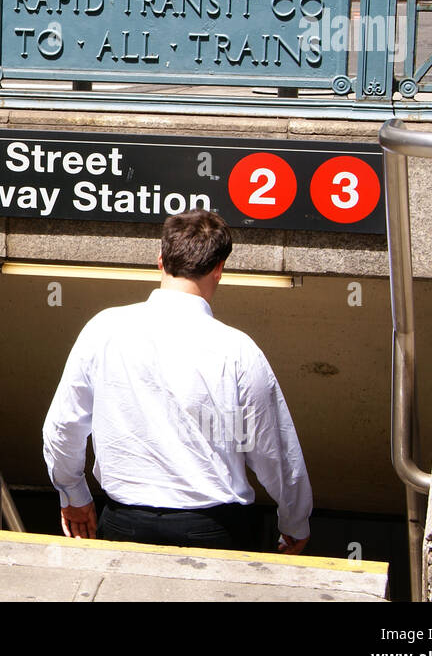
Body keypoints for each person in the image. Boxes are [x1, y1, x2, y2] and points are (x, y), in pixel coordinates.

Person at [43, 210, 313, 553]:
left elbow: (64, 425)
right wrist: (294, 521)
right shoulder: (238, 350)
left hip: (123, 524)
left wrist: (74, 494)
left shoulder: (104, 329)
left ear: (160, 261)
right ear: (219, 268)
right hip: (215, 531)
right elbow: (273, 451)